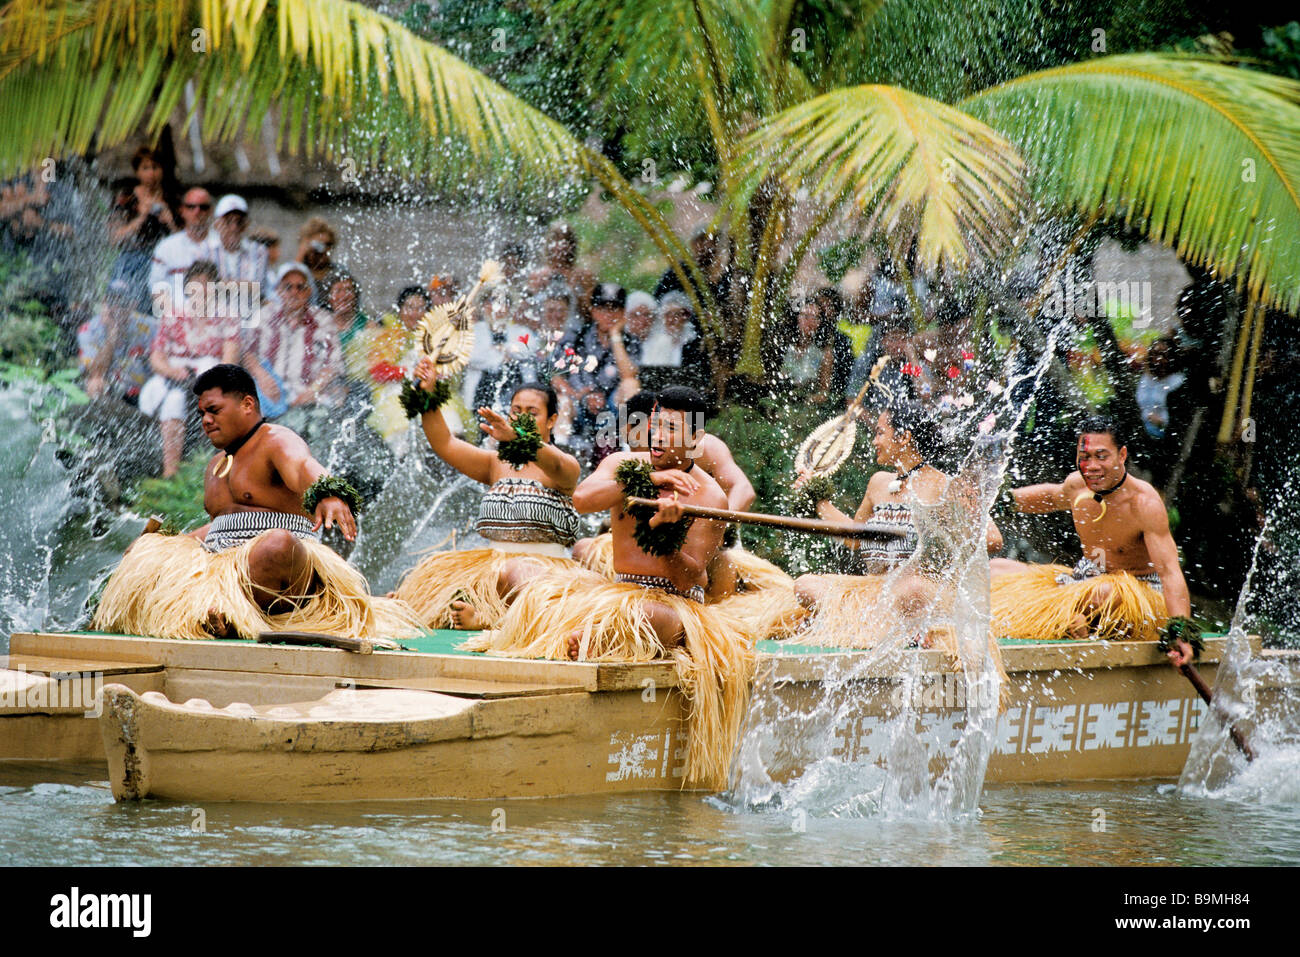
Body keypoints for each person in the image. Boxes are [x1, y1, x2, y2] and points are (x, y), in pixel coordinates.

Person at [463, 395, 754, 787]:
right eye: (655, 424)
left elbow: (690, 577)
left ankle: (596, 637)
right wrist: (648, 480)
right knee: (524, 575)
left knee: (650, 618)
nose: (658, 435)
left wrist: (666, 534)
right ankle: (507, 620)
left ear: (695, 439)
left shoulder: (710, 497)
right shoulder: (622, 465)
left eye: (672, 429)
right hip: (617, 592)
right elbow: (581, 500)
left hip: (673, 605)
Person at [92, 364, 419, 643]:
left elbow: (303, 465)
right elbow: (223, 523)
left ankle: (228, 613)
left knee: (276, 545)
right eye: (202, 413)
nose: (205, 420)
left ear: (247, 404)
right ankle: (210, 613)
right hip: (222, 567)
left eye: (214, 410)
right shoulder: (216, 465)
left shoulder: (276, 439)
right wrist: (164, 547)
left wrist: (327, 491)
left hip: (282, 569)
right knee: (147, 550)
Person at [793, 398, 1003, 646]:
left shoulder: (945, 486)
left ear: (904, 438)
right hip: (877, 592)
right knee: (805, 585)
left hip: (923, 593)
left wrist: (941, 542)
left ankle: (855, 625)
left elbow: (993, 540)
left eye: (880, 433)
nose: (875, 441)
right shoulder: (879, 482)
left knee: (912, 590)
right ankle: (874, 627)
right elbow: (854, 539)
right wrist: (820, 502)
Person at [989, 417, 1197, 666]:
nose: (1091, 466)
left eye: (1101, 456)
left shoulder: (1144, 503)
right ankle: (1073, 620)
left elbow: (1170, 573)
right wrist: (1001, 500)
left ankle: (1072, 619)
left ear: (1122, 455)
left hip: (1135, 595)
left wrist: (1180, 631)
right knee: (995, 569)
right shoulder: (1077, 485)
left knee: (1101, 593)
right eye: (1084, 456)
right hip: (1083, 582)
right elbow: (1050, 497)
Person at [392, 366, 582, 630]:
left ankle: (492, 619)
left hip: (543, 574)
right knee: (425, 594)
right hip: (492, 570)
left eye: (532, 413)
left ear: (551, 420)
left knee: (520, 578)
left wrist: (518, 436)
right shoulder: (495, 463)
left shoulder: (563, 467)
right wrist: (429, 395)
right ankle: (427, 604)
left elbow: (553, 461)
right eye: (516, 411)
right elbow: (445, 443)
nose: (521, 418)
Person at [139, 260, 241, 477]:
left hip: (210, 379)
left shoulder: (227, 316)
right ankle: (170, 473)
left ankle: (210, 472)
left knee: (195, 396)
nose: (201, 290)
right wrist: (172, 372)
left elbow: (229, 360)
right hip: (174, 376)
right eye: (196, 284)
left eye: (207, 284)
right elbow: (156, 358)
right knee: (173, 399)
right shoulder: (173, 314)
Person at [244, 262, 344, 413]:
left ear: (309, 291)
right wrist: (262, 376)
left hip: (309, 396)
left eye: (300, 287)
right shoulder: (265, 315)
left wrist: (312, 391)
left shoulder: (323, 320)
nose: (294, 292)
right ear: (278, 291)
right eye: (288, 287)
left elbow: (334, 363)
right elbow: (247, 352)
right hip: (268, 394)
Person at [107, 147, 178, 308]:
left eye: (155, 167)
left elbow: (184, 240)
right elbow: (113, 239)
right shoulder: (126, 198)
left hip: (161, 262)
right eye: (145, 168)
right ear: (137, 172)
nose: (151, 173)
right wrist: (140, 218)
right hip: (130, 261)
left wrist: (170, 222)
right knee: (125, 307)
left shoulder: (171, 199)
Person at [77, 279, 157, 404]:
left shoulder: (149, 326)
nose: (116, 308)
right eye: (111, 301)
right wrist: (112, 337)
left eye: (122, 303)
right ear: (104, 302)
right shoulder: (89, 330)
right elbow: (94, 373)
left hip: (143, 390)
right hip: (111, 387)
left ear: (133, 305)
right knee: (95, 384)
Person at [149, 187, 219, 315]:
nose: (197, 211)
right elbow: (156, 288)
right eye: (191, 207)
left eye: (203, 207)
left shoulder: (221, 245)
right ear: (182, 210)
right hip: (177, 320)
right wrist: (176, 318)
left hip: (215, 319)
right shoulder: (166, 247)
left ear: (211, 211)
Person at [210, 194, 268, 325]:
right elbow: (204, 288)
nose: (234, 227)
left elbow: (258, 290)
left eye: (239, 222)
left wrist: (221, 283)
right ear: (217, 224)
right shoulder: (206, 250)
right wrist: (243, 285)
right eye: (228, 221)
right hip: (215, 321)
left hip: (248, 320)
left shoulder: (259, 251)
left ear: (246, 224)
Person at [295, 217, 340, 308]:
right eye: (318, 244)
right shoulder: (297, 271)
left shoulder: (339, 274)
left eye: (328, 244)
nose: (323, 249)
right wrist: (302, 253)